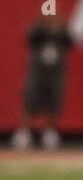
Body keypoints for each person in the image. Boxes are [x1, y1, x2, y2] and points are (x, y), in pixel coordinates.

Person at [13, 14, 73, 151]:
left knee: (54, 102)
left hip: (56, 72)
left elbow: (71, 42)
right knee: (30, 101)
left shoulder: (62, 31)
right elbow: (30, 38)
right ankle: (25, 133)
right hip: (37, 71)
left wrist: (60, 28)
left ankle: (49, 133)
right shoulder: (38, 29)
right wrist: (45, 27)